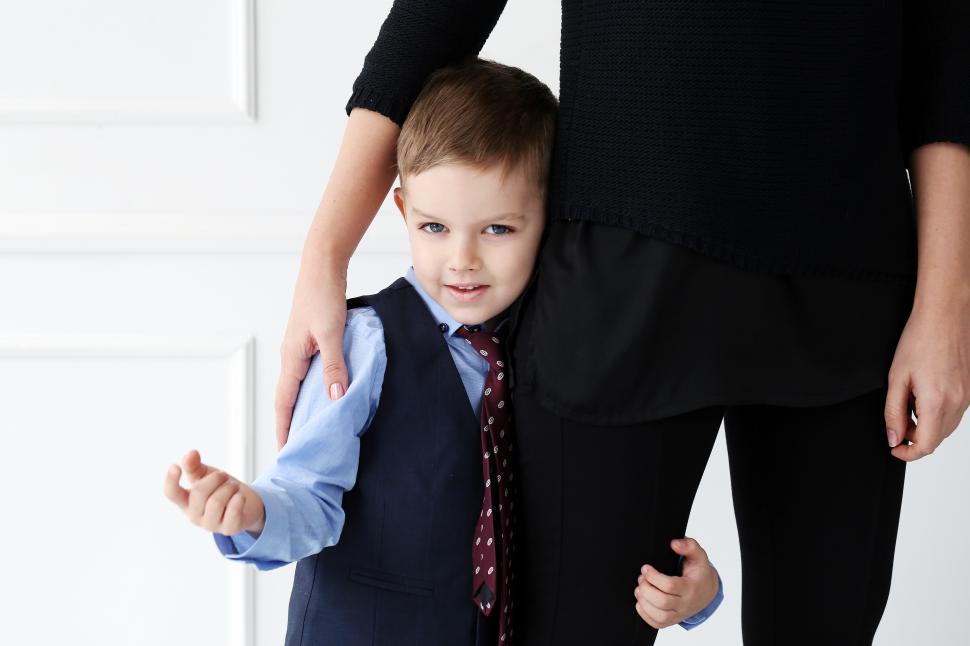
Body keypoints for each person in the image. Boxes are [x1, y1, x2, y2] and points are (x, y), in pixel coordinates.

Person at [276, 3, 970, 644]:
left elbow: (945, 49)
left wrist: (947, 306)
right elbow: (438, 16)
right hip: (617, 279)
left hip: (846, 278)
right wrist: (325, 255)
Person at [163, 59, 725, 646]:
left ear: (549, 219)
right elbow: (308, 494)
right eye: (435, 228)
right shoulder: (364, 341)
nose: (462, 259)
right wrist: (250, 513)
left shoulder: (563, 347)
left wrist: (698, 596)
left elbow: (603, 518)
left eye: (498, 230)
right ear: (404, 212)